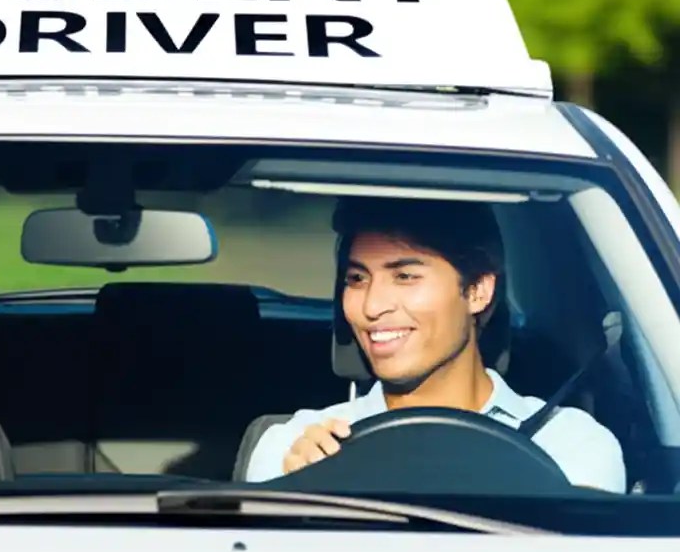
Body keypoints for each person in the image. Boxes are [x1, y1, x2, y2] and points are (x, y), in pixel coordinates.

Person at [243, 197, 626, 493]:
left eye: (405, 276)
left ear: (477, 291)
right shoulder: (293, 447)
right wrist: (299, 498)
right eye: (357, 279)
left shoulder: (569, 446)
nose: (372, 306)